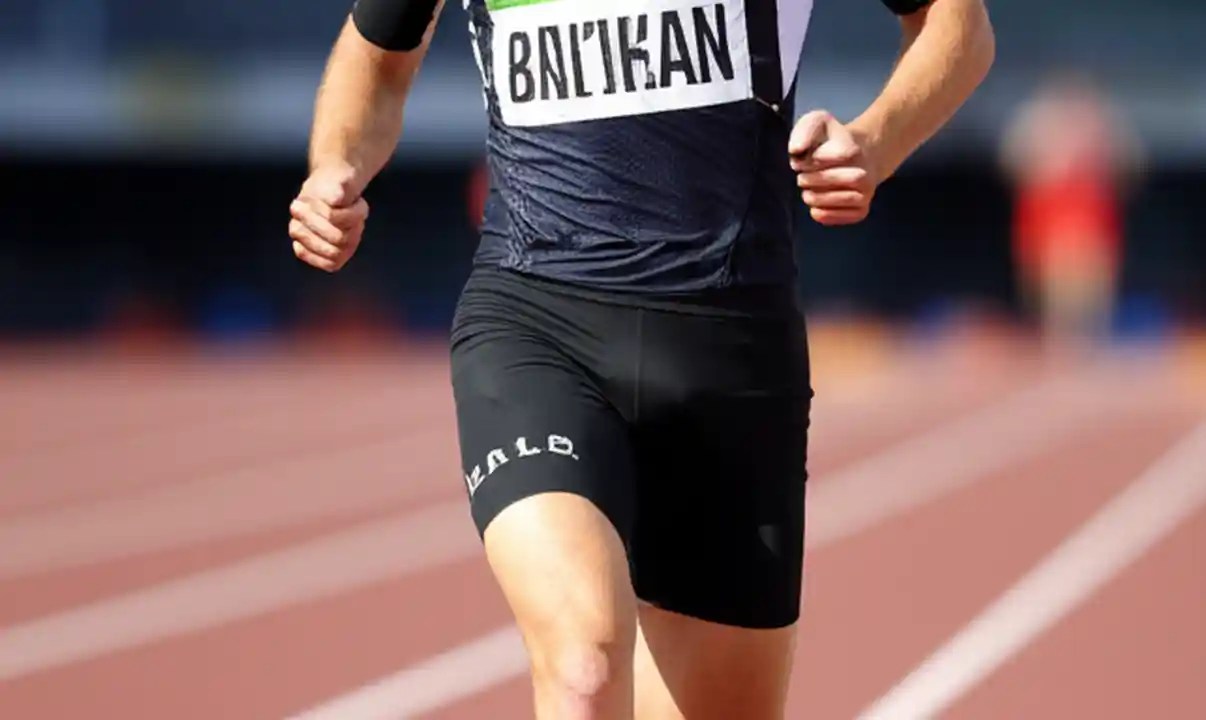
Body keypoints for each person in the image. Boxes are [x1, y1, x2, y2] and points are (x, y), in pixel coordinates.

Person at [287, 0, 993, 716]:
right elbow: (376, 60)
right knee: (584, 663)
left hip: (731, 350)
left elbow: (958, 26)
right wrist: (334, 166)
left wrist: (874, 143)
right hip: (537, 323)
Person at [999, 71, 1143, 354]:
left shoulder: (1105, 122)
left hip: (1091, 211)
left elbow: (1130, 168)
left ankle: (1091, 338)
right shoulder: (1036, 121)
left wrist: (1098, 166)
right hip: (1051, 211)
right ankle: (1060, 340)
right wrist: (1050, 167)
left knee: (1091, 275)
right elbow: (1014, 165)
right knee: (1055, 279)